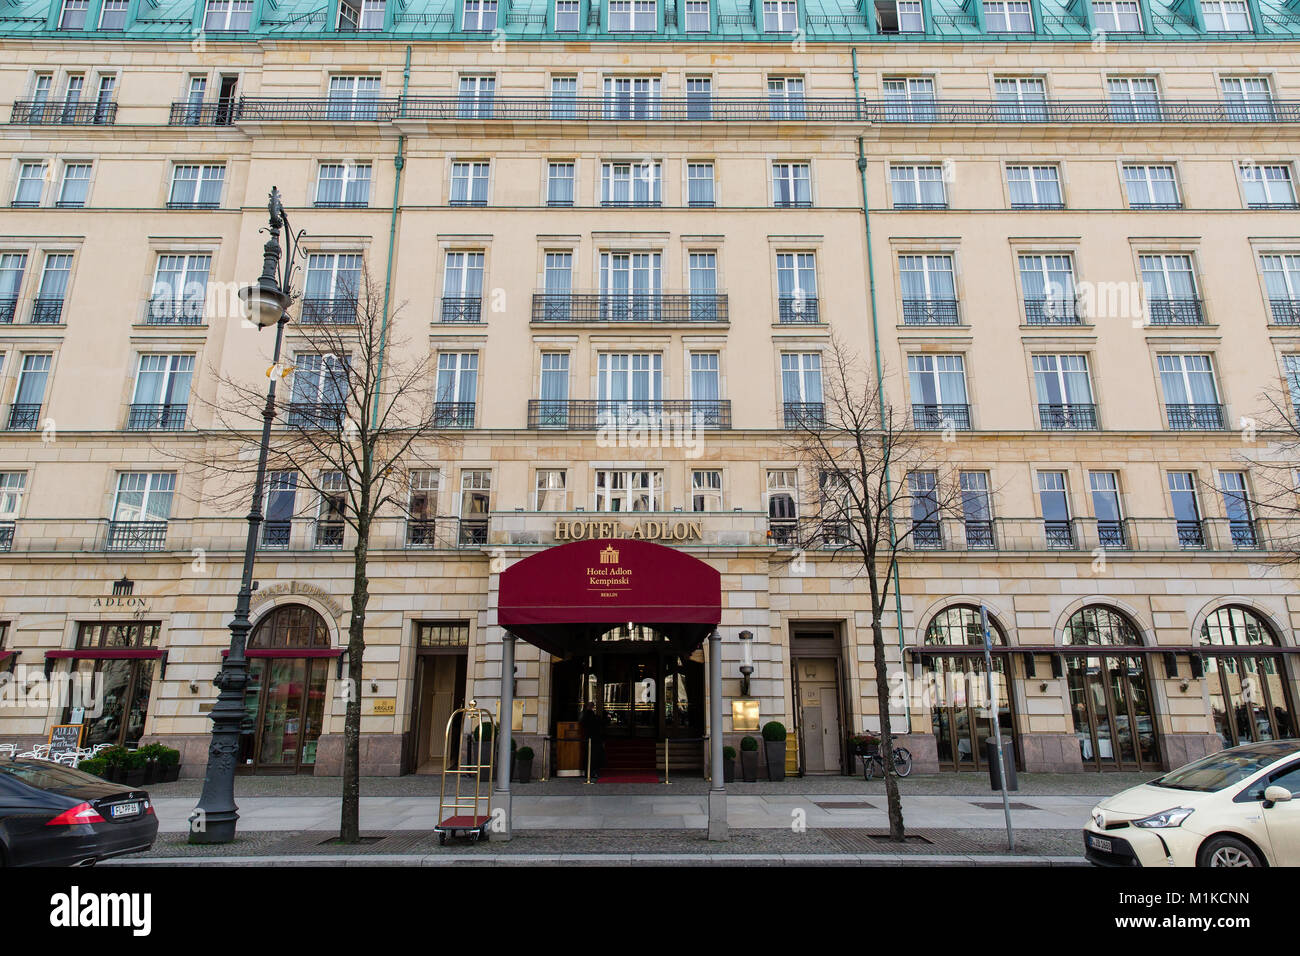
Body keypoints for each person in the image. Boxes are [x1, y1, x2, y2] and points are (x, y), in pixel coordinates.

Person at [580, 701, 606, 781]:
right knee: (594, 757)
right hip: (594, 739)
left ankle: (588, 772)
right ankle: (593, 772)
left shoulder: (585, 715)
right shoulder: (593, 716)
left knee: (589, 756)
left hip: (589, 738)